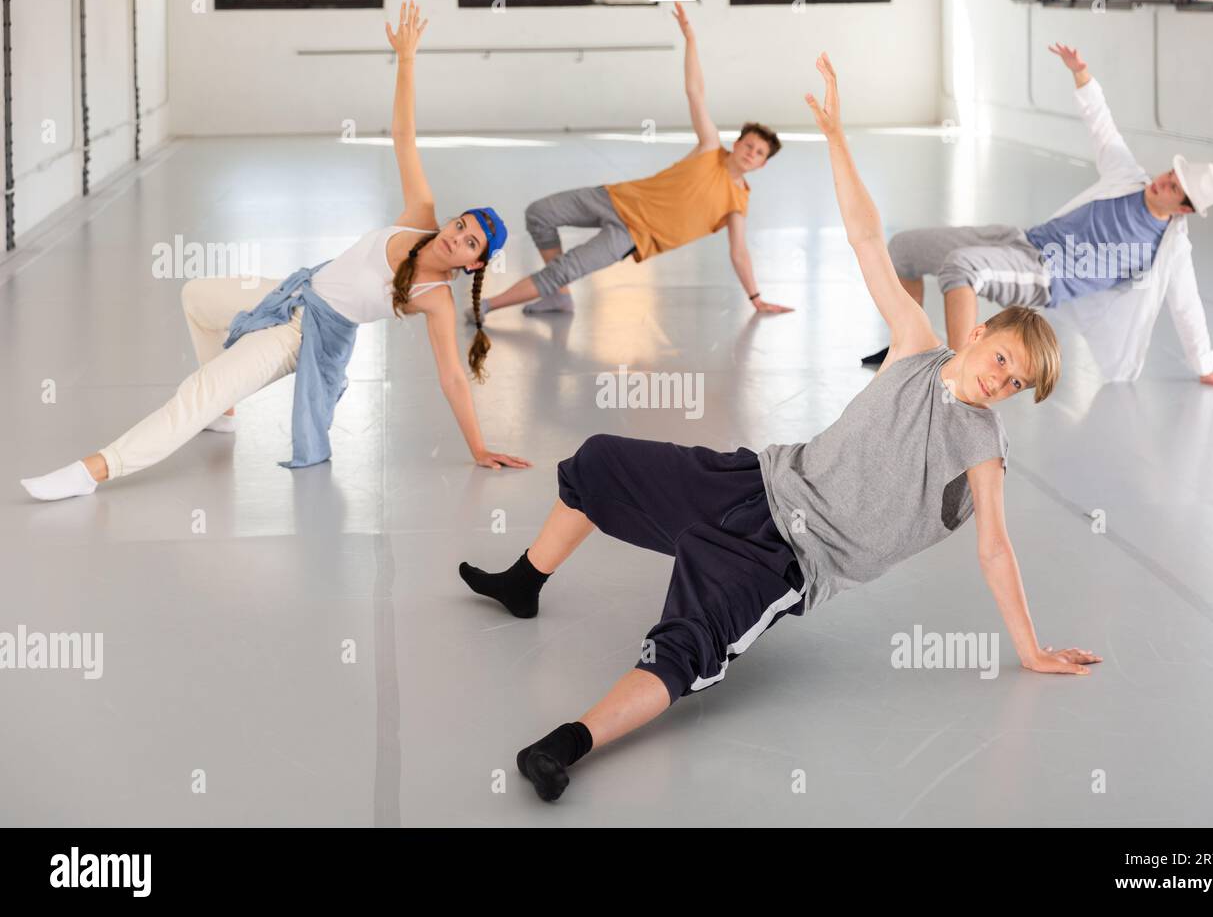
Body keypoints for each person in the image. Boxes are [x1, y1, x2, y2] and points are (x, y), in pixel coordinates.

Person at [458, 54, 1100, 803]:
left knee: (685, 650)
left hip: (783, 557)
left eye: (1017, 383)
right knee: (596, 462)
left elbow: (995, 546)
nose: (1001, 380)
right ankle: (525, 583)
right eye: (1002, 359)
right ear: (982, 331)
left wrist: (1030, 649)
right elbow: (867, 241)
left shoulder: (981, 448)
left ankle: (567, 744)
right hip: (752, 479)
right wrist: (836, 136)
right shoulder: (917, 345)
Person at [21, 0, 529, 502]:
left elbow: (452, 378)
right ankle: (224, 413)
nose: (455, 236)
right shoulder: (421, 218)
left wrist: (479, 447)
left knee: (199, 392)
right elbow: (403, 136)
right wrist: (407, 59)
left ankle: (94, 470)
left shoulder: (435, 296)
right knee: (196, 295)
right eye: (460, 225)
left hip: (303, 336)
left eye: (469, 242)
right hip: (290, 292)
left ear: (474, 263)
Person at [863, 43, 1213, 387]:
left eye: (1173, 188)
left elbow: (1186, 306)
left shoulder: (1169, 249)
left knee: (961, 268)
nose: (1163, 182)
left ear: (1184, 209)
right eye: (1169, 175)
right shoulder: (1128, 177)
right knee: (904, 248)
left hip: (1047, 275)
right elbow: (1103, 129)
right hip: (1021, 238)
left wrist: (1204, 365)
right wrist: (1081, 75)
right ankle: (908, 352)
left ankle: (961, 383)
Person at [473, 2, 793, 320]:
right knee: (538, 213)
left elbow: (739, 253)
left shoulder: (736, 203)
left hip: (630, 235)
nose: (751, 152)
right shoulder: (710, 147)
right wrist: (691, 40)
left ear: (762, 164)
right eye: (749, 145)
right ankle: (559, 297)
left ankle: (484, 307)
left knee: (564, 268)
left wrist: (756, 298)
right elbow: (695, 92)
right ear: (736, 144)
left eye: (759, 153)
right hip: (614, 197)